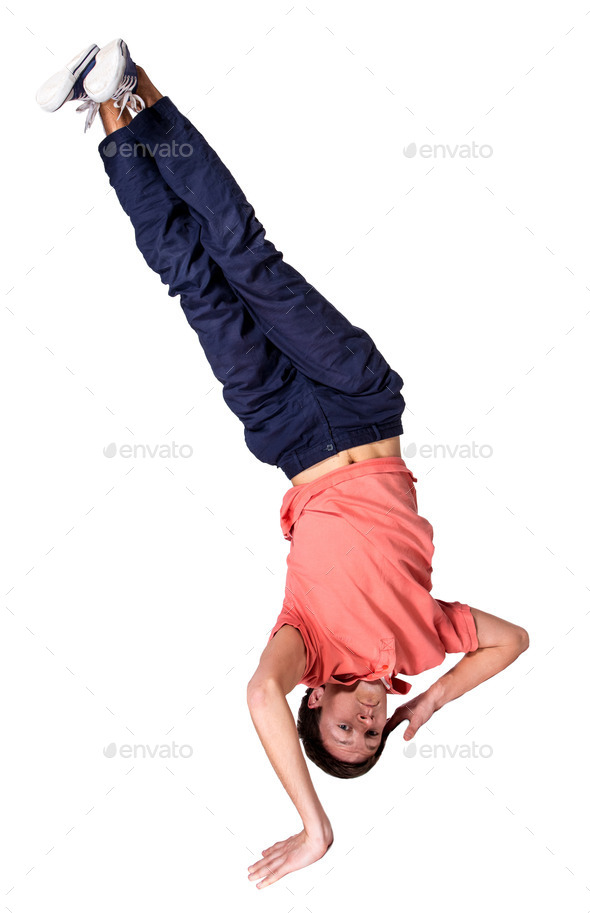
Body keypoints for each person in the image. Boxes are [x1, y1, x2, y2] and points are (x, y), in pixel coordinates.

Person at [36, 40, 530, 890]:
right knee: (245, 255)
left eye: (347, 733)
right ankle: (139, 90)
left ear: (317, 707)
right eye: (373, 735)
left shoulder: (300, 652)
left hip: (288, 439)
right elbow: (514, 640)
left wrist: (314, 825)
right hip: (362, 405)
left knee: (191, 279)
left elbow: (257, 698)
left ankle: (111, 120)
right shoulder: (426, 641)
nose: (367, 723)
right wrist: (431, 699)